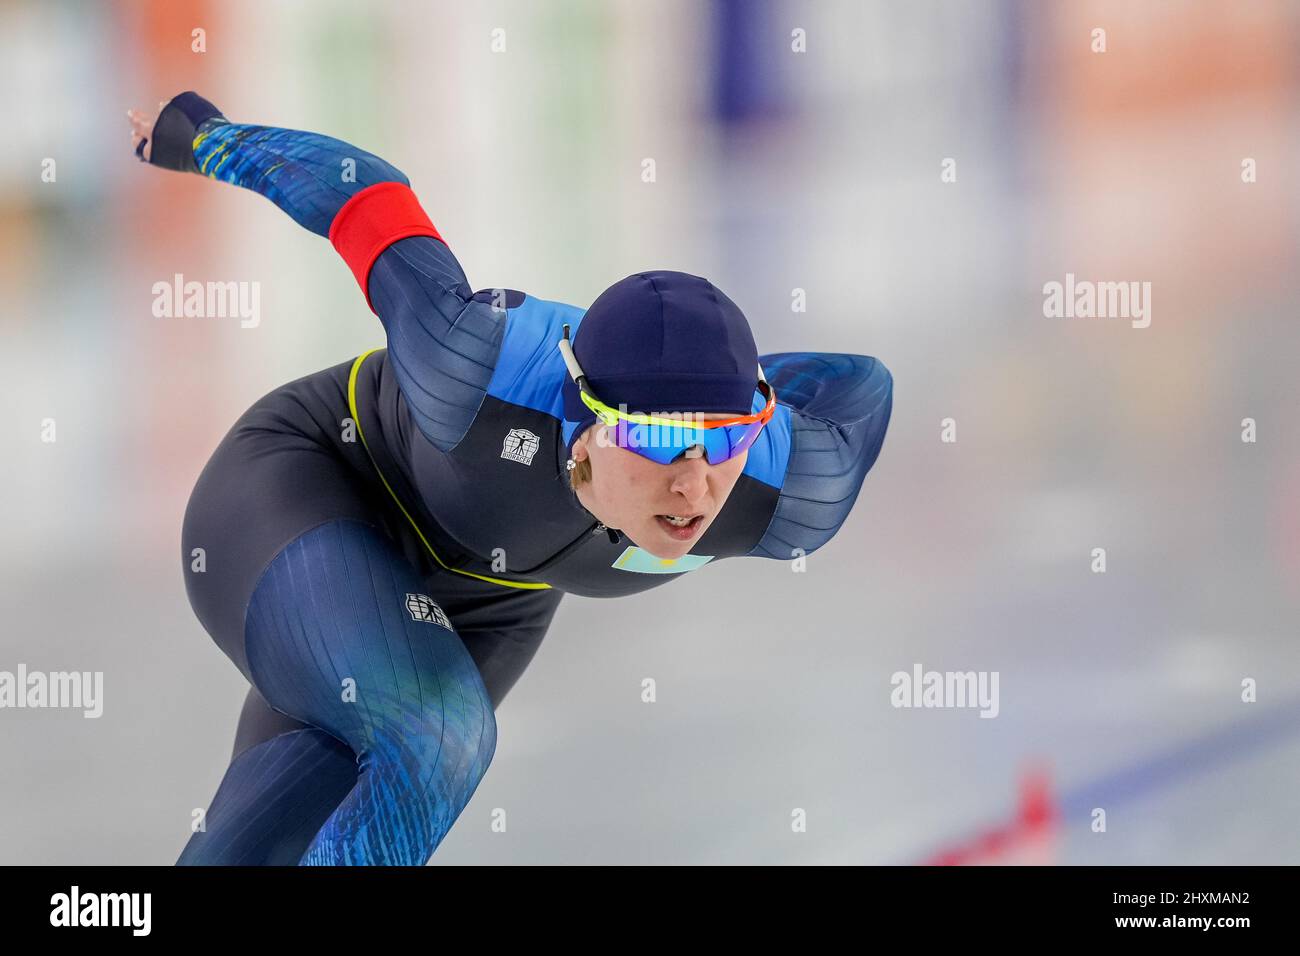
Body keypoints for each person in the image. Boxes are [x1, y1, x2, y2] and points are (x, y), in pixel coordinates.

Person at [129, 91, 893, 865]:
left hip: (492, 600)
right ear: (587, 424)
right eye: (659, 439)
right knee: (437, 734)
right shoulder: (476, 371)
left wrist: (735, 388)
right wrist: (205, 137)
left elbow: (865, 383)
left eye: (723, 438)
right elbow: (364, 195)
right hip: (310, 486)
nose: (694, 487)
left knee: (257, 848)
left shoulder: (786, 487)